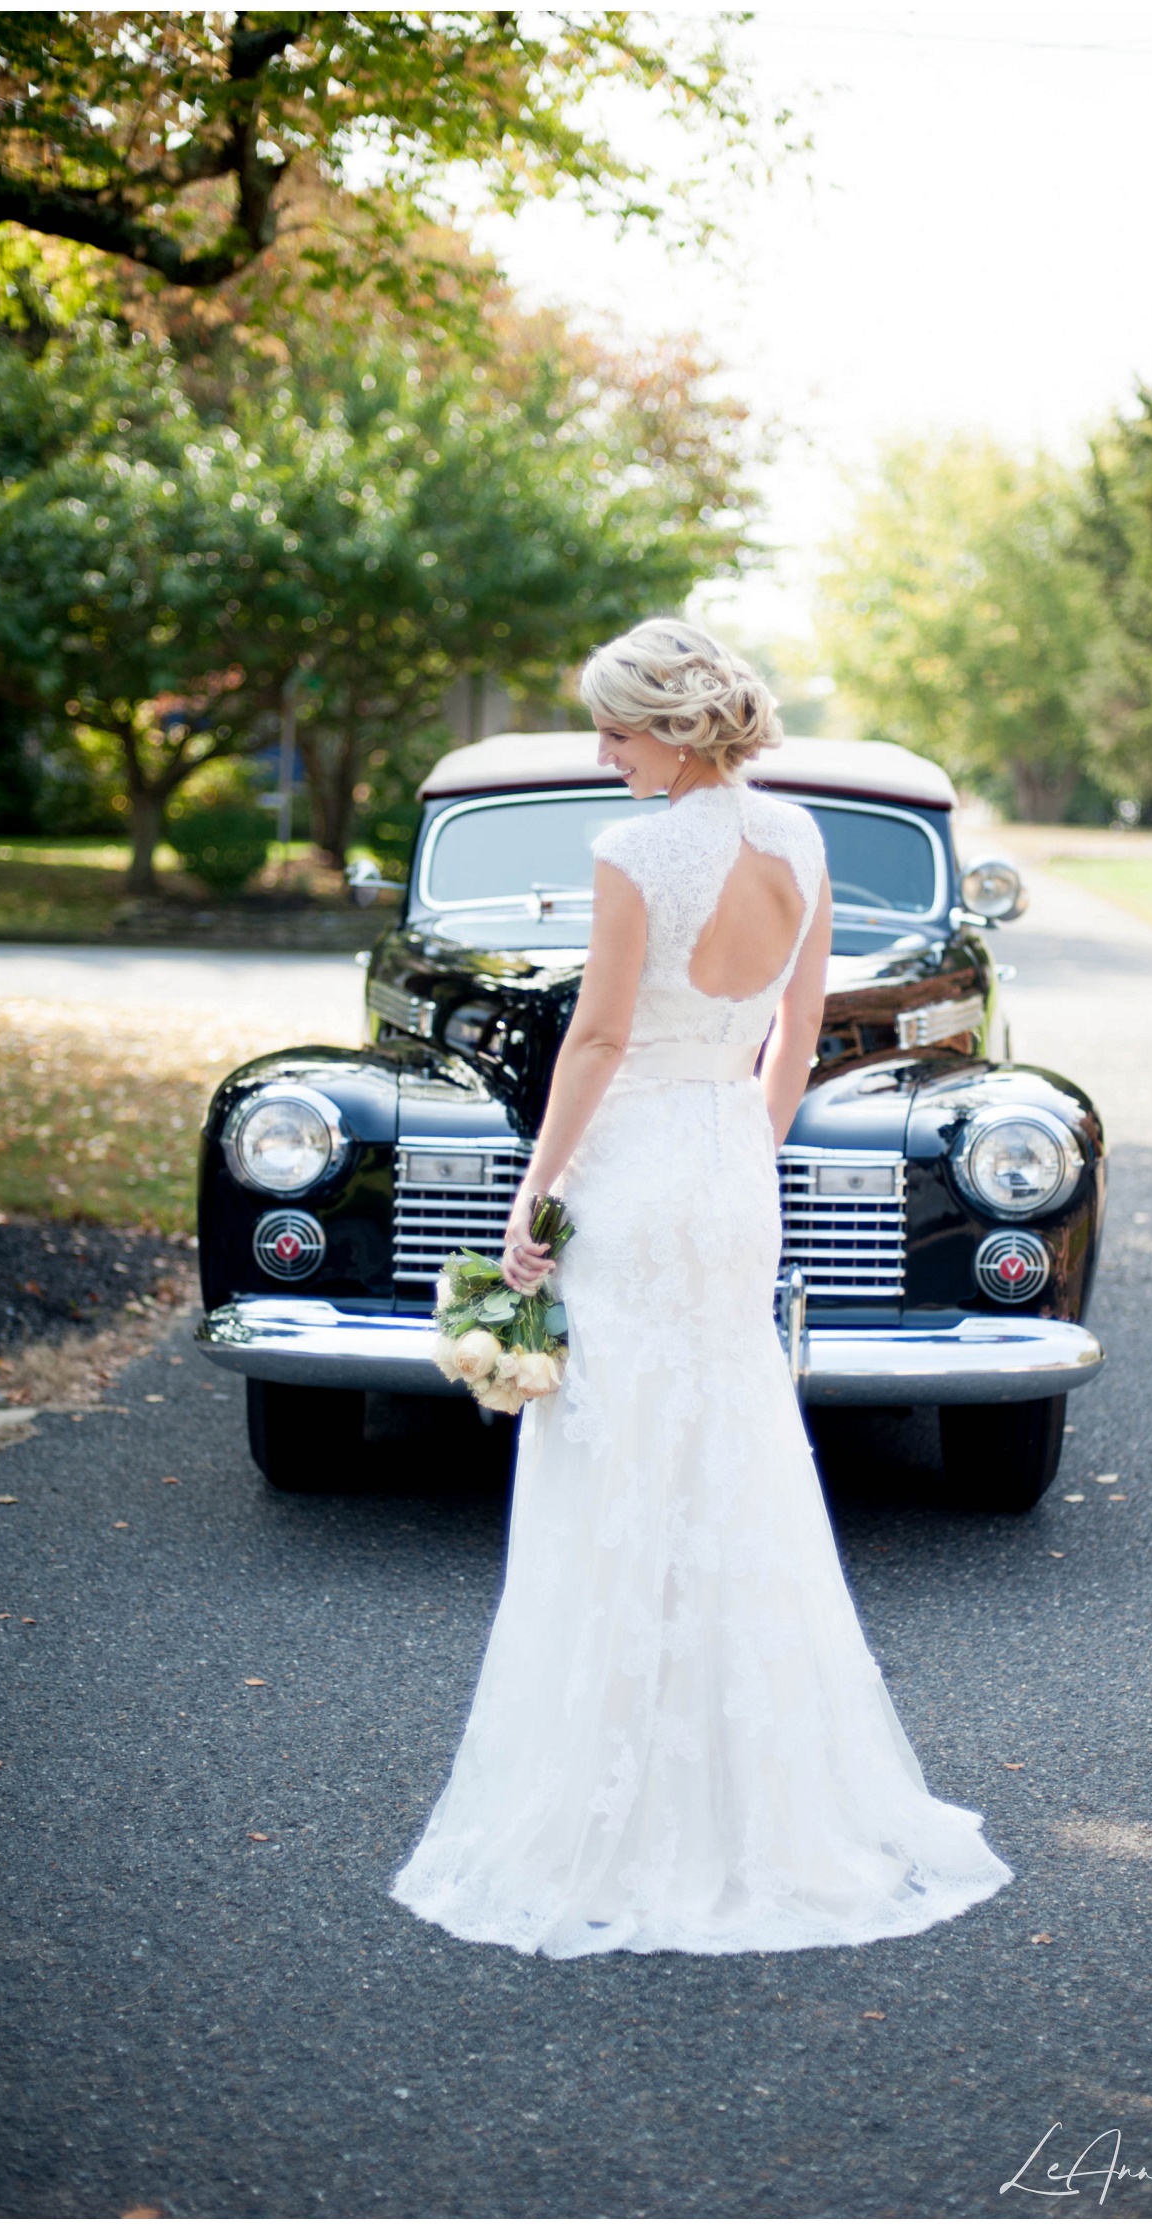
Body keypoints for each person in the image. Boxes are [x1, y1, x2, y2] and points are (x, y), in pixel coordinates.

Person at [390, 618, 1014, 1958]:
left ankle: (617, 1784)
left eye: (615, 728)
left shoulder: (632, 854)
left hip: (633, 1164)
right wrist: (752, 1137)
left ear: (672, 732)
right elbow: (800, 1027)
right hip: (732, 1164)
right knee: (731, 1446)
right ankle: (765, 1788)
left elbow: (603, 1037)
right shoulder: (800, 842)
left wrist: (532, 1193)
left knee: (613, 1449)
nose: (603, 751)